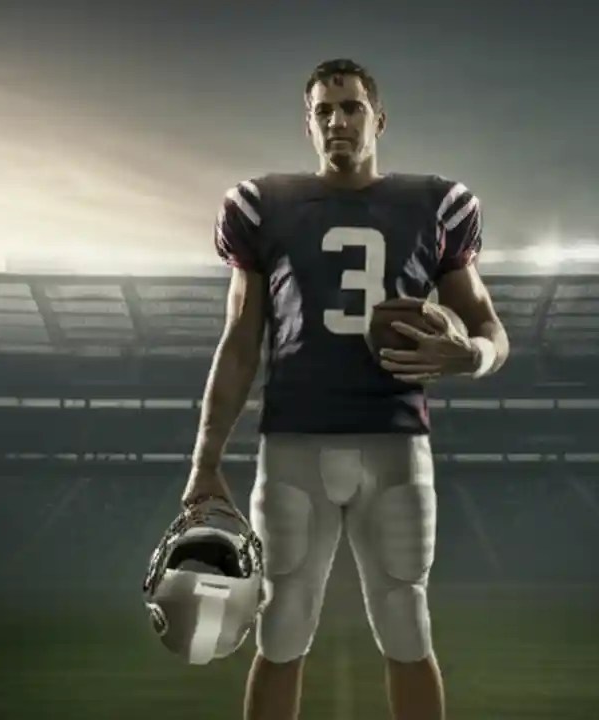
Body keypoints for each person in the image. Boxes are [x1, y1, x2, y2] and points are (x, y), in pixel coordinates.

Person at [181, 58, 509, 720]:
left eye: (351, 107)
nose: (338, 120)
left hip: (394, 443)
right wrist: (204, 459)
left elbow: (492, 333)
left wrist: (466, 356)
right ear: (308, 124)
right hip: (294, 442)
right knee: (282, 628)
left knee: (407, 623)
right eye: (324, 111)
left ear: (377, 118)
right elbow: (241, 341)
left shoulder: (437, 205)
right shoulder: (263, 205)